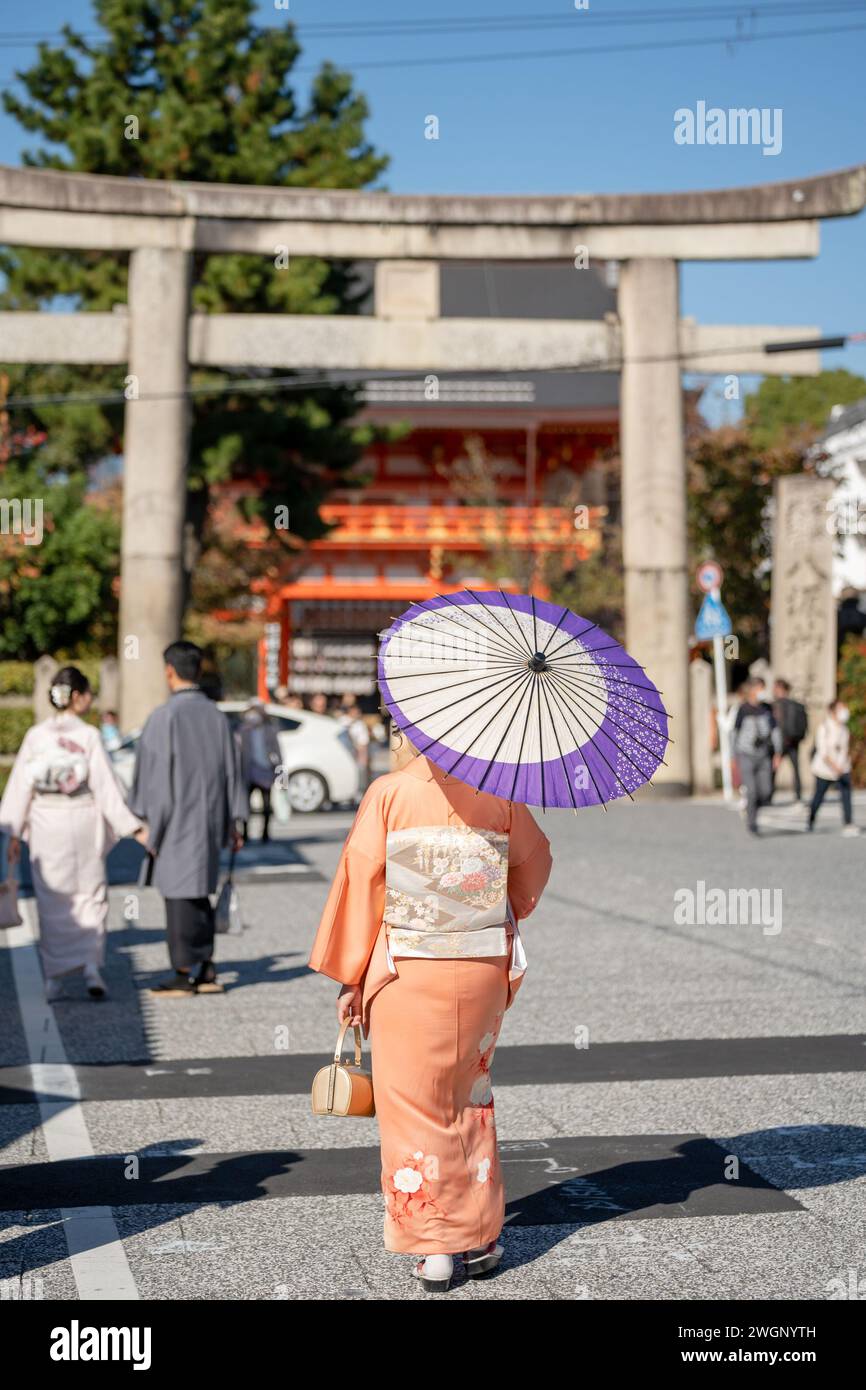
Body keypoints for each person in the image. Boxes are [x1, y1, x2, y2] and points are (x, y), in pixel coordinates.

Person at [308, 730, 552, 1293]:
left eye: (396, 730)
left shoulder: (391, 792)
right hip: (482, 965)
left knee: (412, 1105)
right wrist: (489, 907)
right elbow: (535, 863)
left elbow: (362, 879)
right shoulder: (501, 791)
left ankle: (436, 1249)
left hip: (409, 970)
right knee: (471, 1095)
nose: (393, 739)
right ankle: (481, 1236)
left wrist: (351, 975)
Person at [0, 666, 145, 1002]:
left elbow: (21, 788)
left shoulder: (36, 736)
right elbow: (106, 787)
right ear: (77, 697)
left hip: (47, 822)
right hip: (82, 818)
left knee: (54, 900)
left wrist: (12, 833)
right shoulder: (89, 736)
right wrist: (131, 826)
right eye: (88, 694)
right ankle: (91, 966)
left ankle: (53, 977)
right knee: (91, 893)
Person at [129, 641, 245, 997]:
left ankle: (183, 972)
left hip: (176, 819)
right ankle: (206, 968)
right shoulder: (216, 715)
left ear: (169, 671)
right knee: (199, 893)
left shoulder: (165, 717)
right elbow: (232, 772)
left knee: (180, 894)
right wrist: (234, 820)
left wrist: (149, 824)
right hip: (210, 819)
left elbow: (155, 778)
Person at [732, 676, 781, 835]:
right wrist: (733, 756)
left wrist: (778, 752)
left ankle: (750, 807)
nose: (762, 692)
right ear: (752, 690)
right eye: (760, 688)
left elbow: (775, 730)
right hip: (746, 753)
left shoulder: (767, 708)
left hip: (764, 754)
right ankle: (752, 823)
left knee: (766, 790)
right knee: (751, 790)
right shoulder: (743, 709)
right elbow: (735, 733)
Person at [808, 699, 859, 836]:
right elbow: (823, 752)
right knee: (819, 796)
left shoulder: (844, 729)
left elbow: (844, 749)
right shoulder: (824, 727)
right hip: (825, 770)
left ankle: (848, 822)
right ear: (832, 711)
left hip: (842, 768)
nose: (844, 712)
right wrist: (834, 766)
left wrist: (843, 766)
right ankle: (811, 819)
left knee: (846, 795)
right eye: (841, 709)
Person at [239, 701, 281, 842]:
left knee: (267, 806)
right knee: (246, 805)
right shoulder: (243, 730)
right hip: (248, 772)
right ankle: (245, 833)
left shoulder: (269, 730)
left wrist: (282, 778)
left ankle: (265, 833)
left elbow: (278, 754)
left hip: (266, 772)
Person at [771, 678, 808, 802]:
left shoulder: (776, 705)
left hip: (781, 743)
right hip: (793, 742)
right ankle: (798, 795)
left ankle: (769, 795)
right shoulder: (796, 705)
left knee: (774, 769)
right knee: (796, 770)